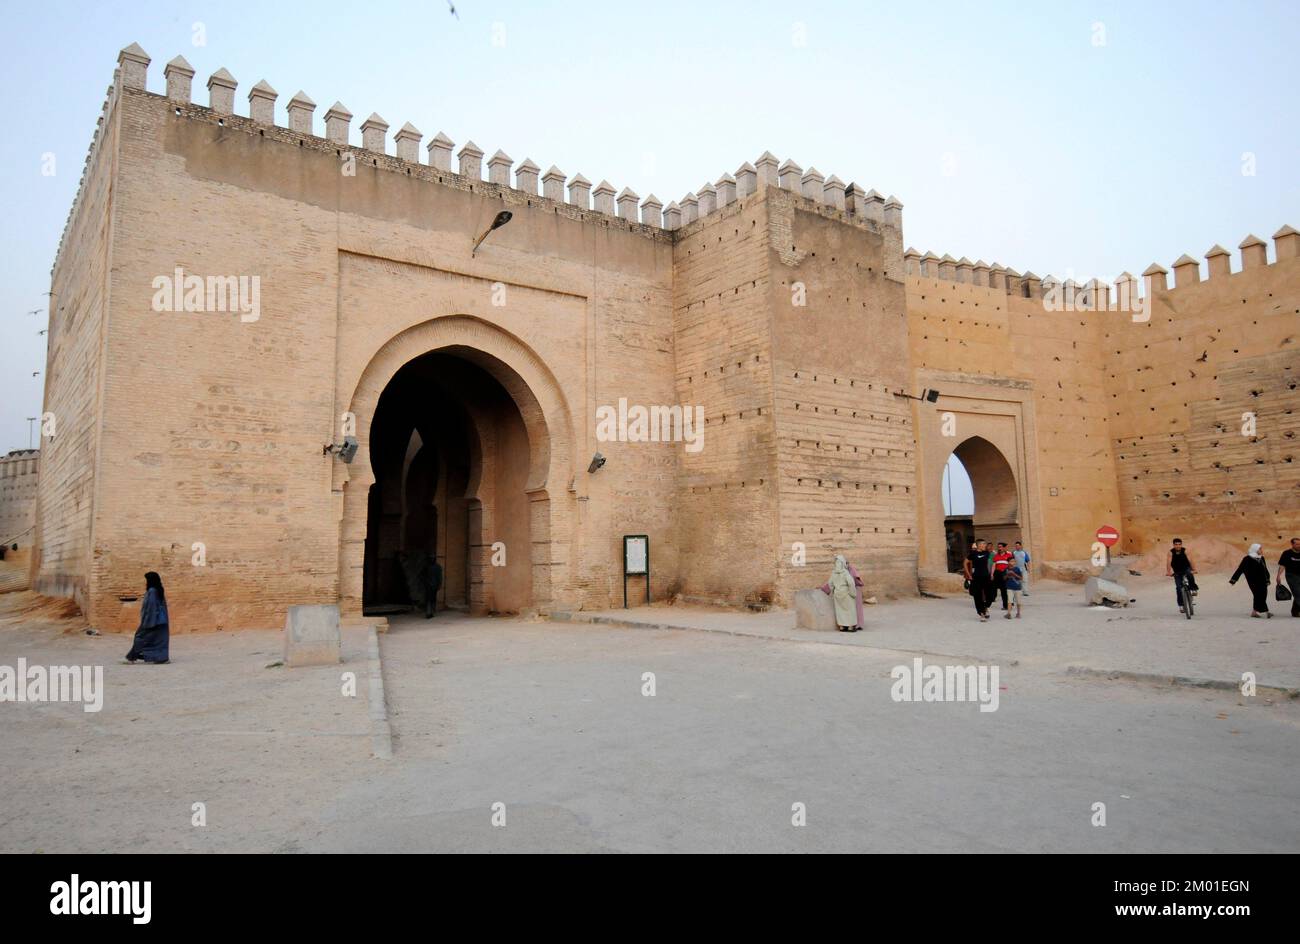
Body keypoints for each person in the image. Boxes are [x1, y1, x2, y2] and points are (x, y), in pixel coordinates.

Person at [125, 571, 170, 664]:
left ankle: (131, 657)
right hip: (161, 621)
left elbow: (151, 608)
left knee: (140, 637)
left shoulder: (152, 591)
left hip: (152, 621)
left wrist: (147, 622)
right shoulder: (159, 590)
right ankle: (161, 658)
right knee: (159, 641)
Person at [820, 555, 861, 632]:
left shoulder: (833, 573)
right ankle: (850, 626)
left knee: (840, 611)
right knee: (850, 610)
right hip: (846, 594)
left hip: (837, 594)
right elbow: (851, 583)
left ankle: (842, 626)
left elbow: (830, 583)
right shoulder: (845, 573)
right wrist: (853, 593)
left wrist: (832, 591)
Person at [1228, 544, 1271, 618]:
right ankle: (1267, 612)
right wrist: (1233, 580)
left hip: (1262, 580)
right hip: (1252, 581)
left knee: (1263, 594)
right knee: (1258, 595)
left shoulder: (1261, 558)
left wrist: (1267, 579)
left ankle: (1254, 612)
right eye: (1260, 549)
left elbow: (1265, 569)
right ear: (1255, 549)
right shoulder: (1247, 559)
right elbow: (1240, 569)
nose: (1261, 550)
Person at [964, 539, 994, 621]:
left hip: (986, 577)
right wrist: (969, 575)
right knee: (977, 596)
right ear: (979, 545)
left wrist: (991, 573)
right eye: (983, 544)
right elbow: (965, 563)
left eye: (985, 544)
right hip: (976, 577)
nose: (985, 545)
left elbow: (992, 562)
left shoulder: (987, 553)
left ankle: (985, 607)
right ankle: (982, 614)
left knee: (990, 595)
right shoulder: (973, 554)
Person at [1165, 538, 1197, 614]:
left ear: (1181, 544)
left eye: (1179, 544)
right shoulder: (1170, 552)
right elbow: (1168, 562)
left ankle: (1193, 589)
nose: (1178, 546)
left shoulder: (1185, 550)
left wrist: (1194, 569)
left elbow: (1190, 560)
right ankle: (1181, 605)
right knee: (1178, 588)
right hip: (1177, 571)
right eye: (1176, 544)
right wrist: (1169, 572)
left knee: (1189, 573)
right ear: (1173, 545)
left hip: (1186, 568)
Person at [1277, 537, 1300, 618]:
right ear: (1292, 544)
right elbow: (1282, 565)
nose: (1299, 545)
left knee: (1297, 593)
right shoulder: (1287, 553)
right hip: (1291, 576)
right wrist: (1278, 575)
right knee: (1298, 592)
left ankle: (1295, 611)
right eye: (1297, 544)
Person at [992, 542, 1014, 610]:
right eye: (998, 547)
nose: (999, 548)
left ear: (1004, 548)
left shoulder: (1009, 555)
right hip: (998, 573)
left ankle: (1011, 602)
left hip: (1006, 573)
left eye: (1000, 547)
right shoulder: (996, 556)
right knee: (1003, 590)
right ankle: (1005, 606)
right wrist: (992, 574)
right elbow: (994, 566)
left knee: (1008, 589)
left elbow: (1012, 564)